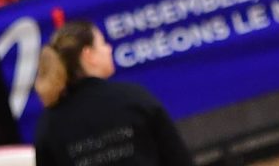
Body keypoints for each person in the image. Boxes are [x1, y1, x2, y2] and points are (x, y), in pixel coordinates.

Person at [34, 21, 193, 166]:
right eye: (102, 43)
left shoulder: (49, 126)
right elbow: (178, 159)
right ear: (88, 55)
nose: (109, 49)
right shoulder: (134, 98)